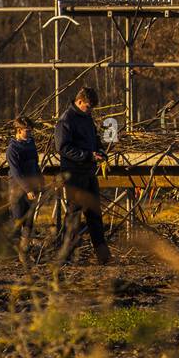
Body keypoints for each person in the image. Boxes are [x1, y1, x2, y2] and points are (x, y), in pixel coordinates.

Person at [55, 87, 110, 266]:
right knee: (74, 214)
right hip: (73, 173)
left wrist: (100, 150)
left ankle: (103, 255)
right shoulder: (66, 120)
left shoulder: (87, 118)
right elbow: (63, 148)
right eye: (88, 106)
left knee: (94, 212)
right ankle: (65, 256)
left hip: (88, 171)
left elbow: (94, 138)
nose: (90, 110)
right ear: (79, 102)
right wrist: (88, 155)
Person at [7, 115, 42, 257]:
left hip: (32, 188)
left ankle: (25, 251)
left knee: (29, 220)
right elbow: (16, 172)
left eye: (30, 131)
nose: (29, 133)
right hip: (18, 188)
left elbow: (35, 164)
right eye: (26, 131)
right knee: (17, 218)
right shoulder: (12, 149)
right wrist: (27, 190)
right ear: (18, 130)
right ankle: (14, 253)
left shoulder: (31, 143)